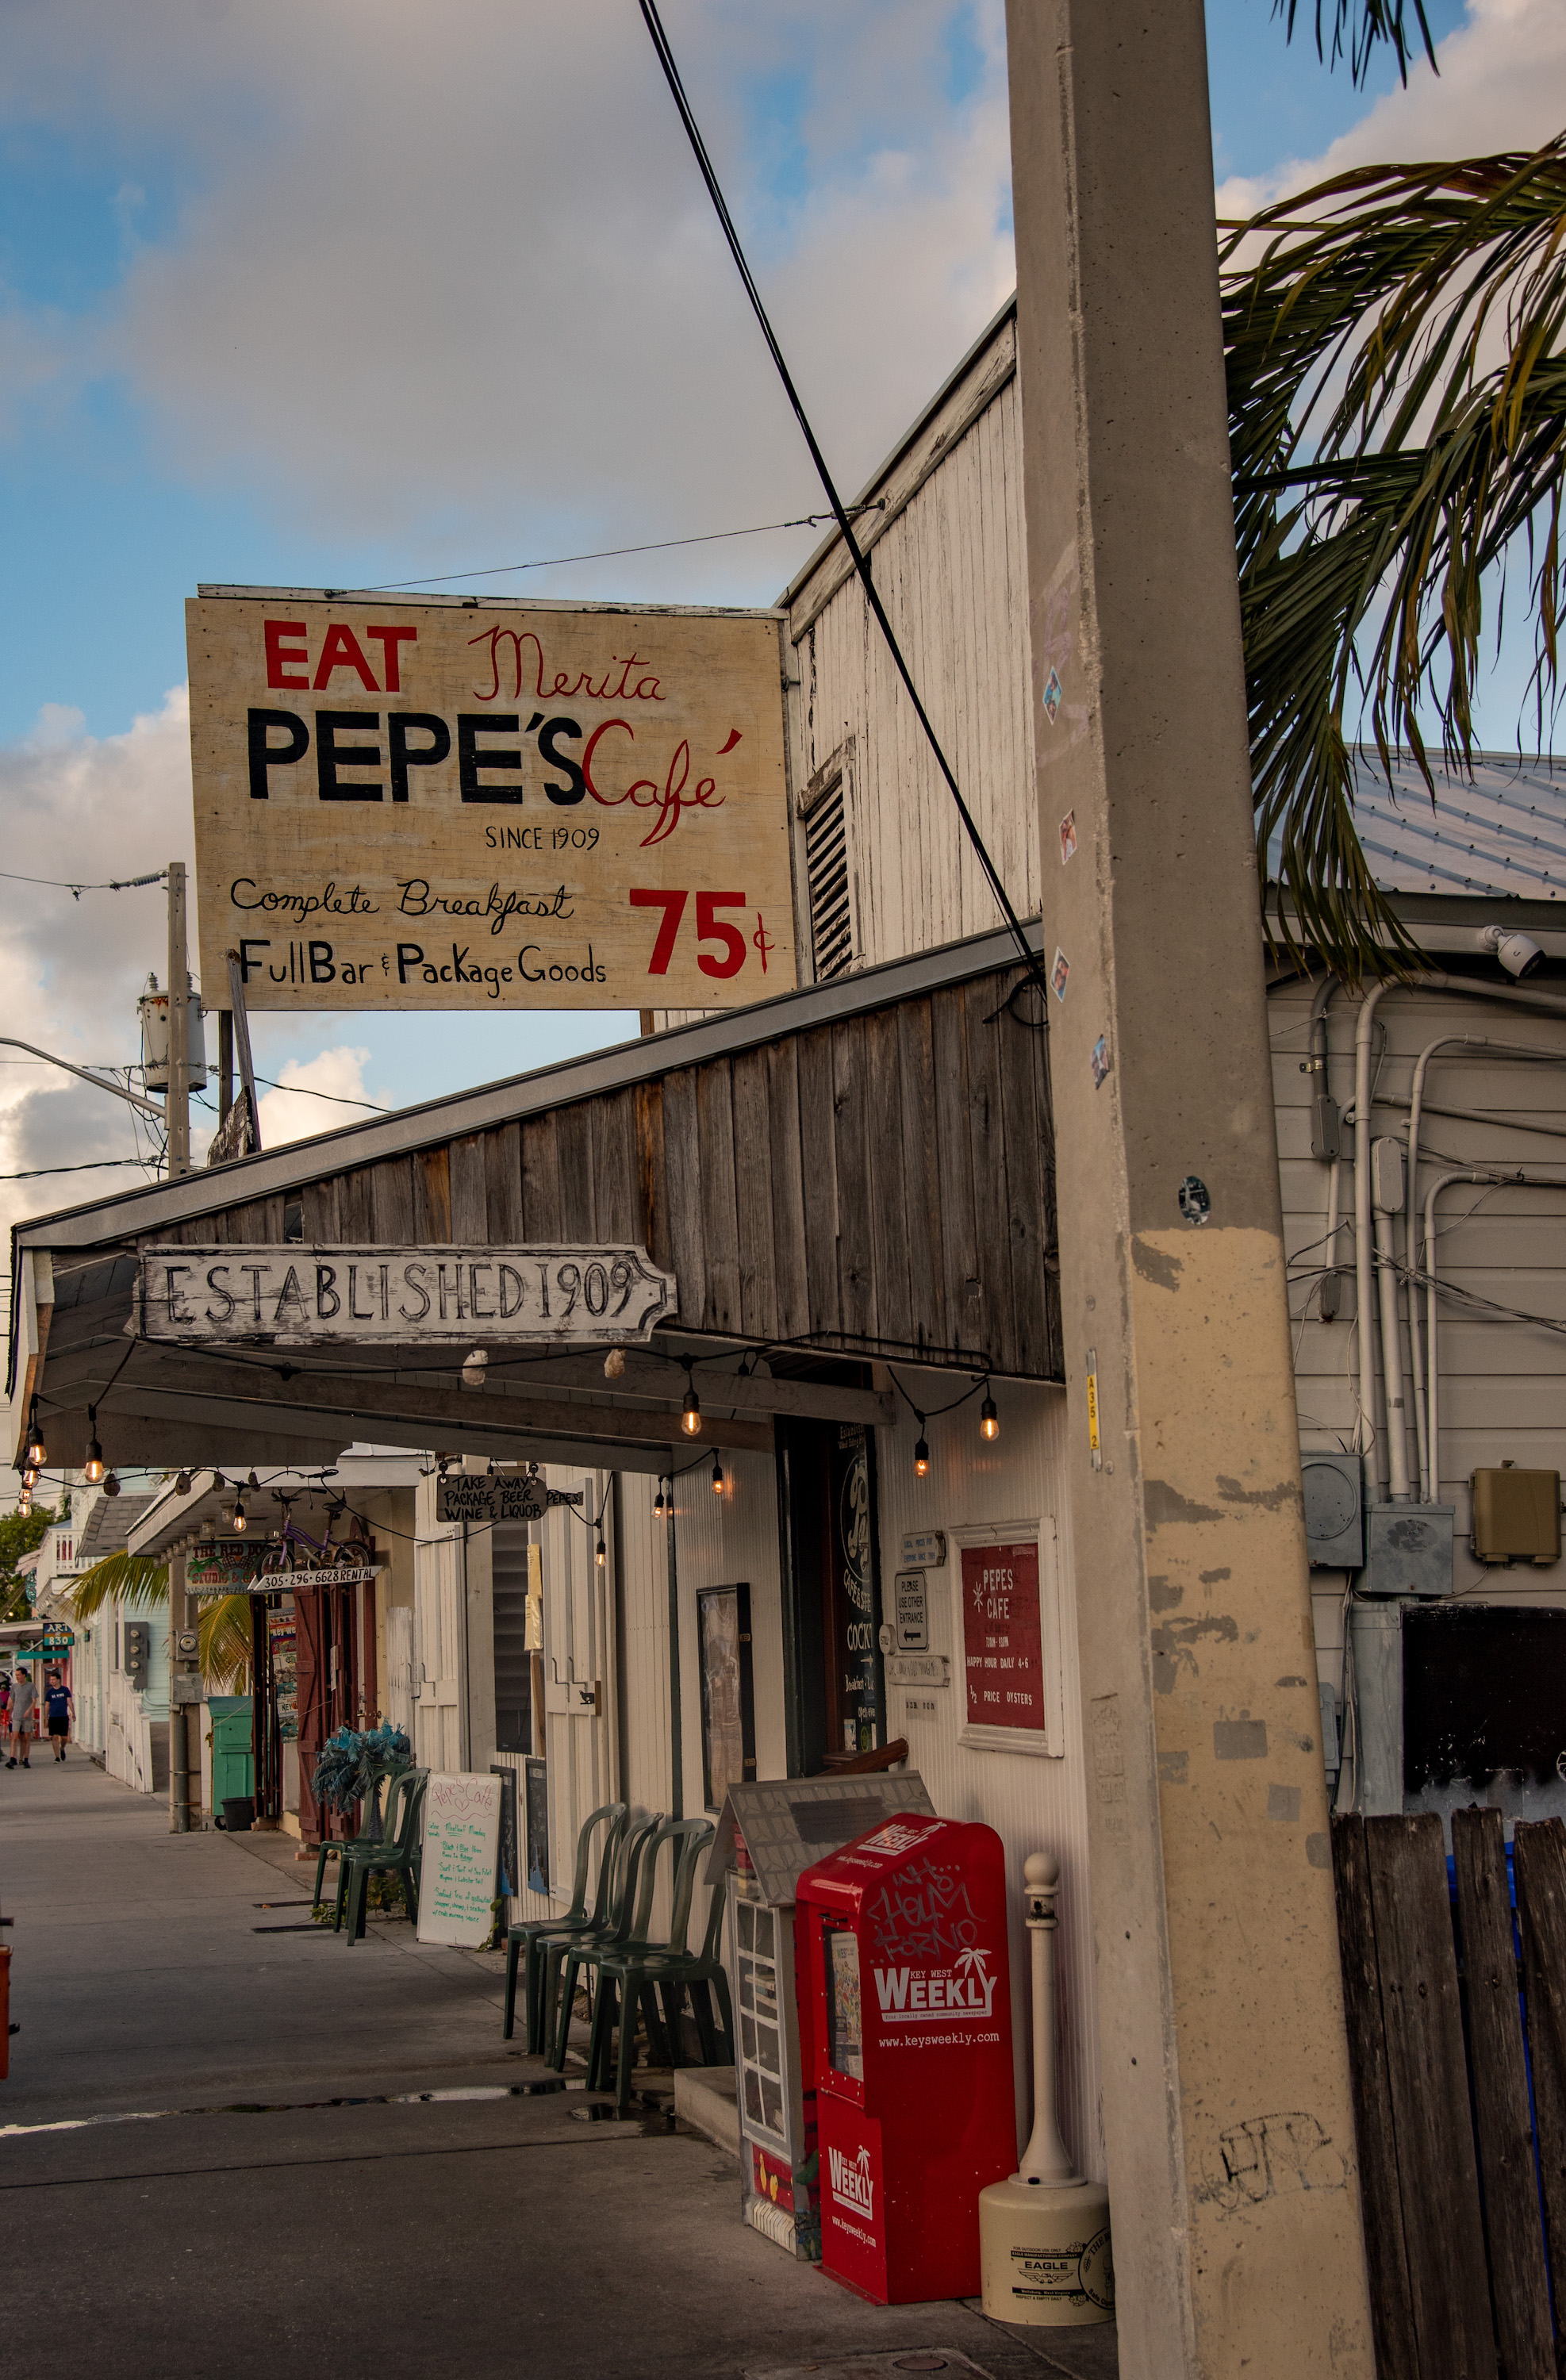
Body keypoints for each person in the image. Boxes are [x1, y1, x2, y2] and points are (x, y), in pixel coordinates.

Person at [7, 1664, 36, 1768]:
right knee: (14, 1737)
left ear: (24, 1675)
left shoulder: (31, 1686)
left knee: (26, 1738)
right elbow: (12, 1700)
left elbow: (34, 1701)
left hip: (26, 1716)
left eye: (19, 1675)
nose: (17, 1677)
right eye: (16, 1675)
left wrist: (28, 1711)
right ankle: (12, 1758)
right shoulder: (14, 1687)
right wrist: (9, 1712)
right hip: (16, 1715)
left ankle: (25, 1759)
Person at [43, 1667, 73, 1761]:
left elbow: (69, 1701)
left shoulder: (65, 1690)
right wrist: (46, 1718)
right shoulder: (50, 1692)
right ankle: (57, 1756)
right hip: (53, 1716)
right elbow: (47, 1705)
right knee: (55, 1736)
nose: (51, 1681)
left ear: (58, 1680)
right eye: (50, 1679)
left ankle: (62, 1748)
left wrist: (73, 1712)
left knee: (64, 1737)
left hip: (63, 1716)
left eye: (53, 1679)